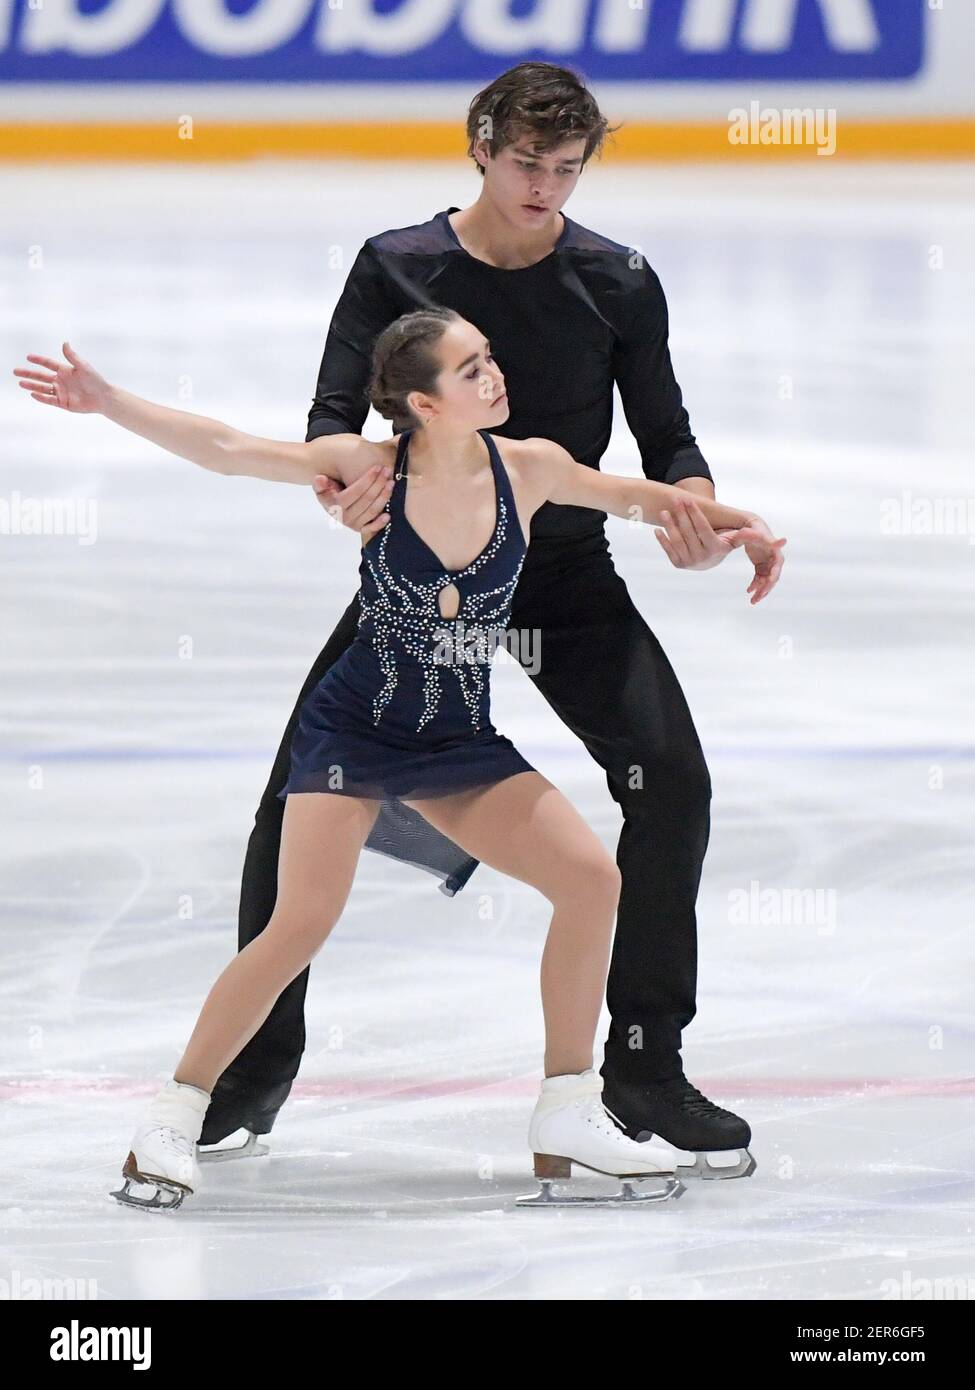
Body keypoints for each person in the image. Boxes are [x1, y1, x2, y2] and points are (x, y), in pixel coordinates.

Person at [13, 314, 783, 1209]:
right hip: (355, 734)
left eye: (489, 358)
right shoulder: (368, 470)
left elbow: (639, 498)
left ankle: (567, 1112)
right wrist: (106, 401)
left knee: (588, 880)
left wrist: (746, 527)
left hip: (457, 739)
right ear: (422, 403)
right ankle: (174, 1116)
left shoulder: (527, 466)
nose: (494, 376)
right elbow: (226, 447)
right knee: (299, 922)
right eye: (471, 368)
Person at [198, 62, 784, 1178]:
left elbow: (669, 442)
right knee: (297, 800)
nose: (546, 188)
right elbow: (332, 416)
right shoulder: (399, 267)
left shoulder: (617, 279)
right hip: (428, 586)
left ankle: (645, 1064)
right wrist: (349, 489)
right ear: (481, 146)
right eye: (528, 164)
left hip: (560, 577)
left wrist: (697, 511)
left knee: (673, 780)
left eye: (568, 170)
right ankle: (249, 1073)